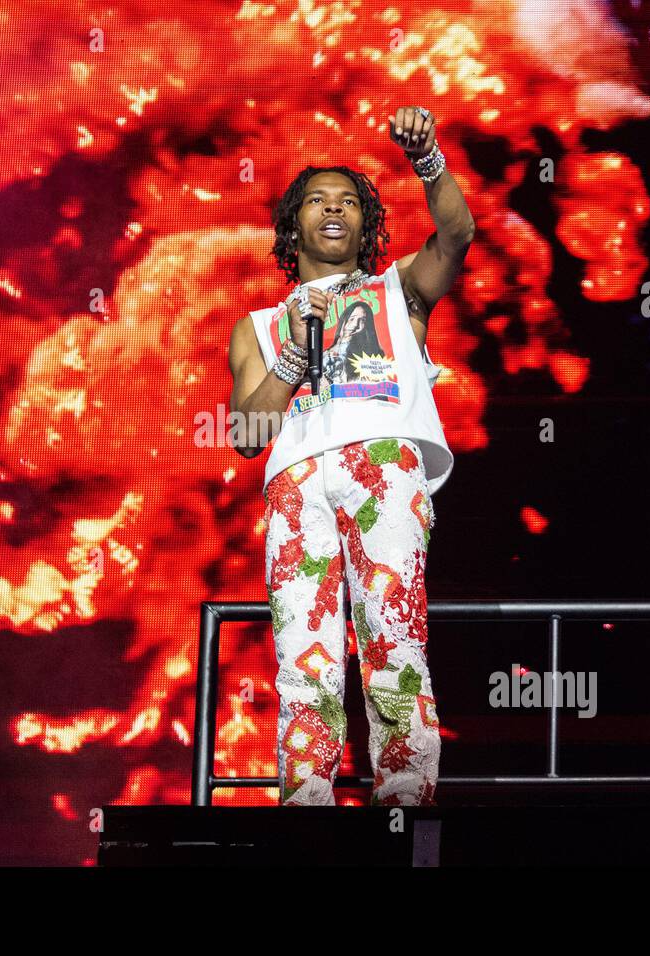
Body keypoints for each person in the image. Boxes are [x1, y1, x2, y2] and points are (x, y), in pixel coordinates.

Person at [227, 106, 476, 806]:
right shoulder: (256, 327)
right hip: (294, 487)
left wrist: (428, 159)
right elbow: (248, 432)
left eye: (348, 203)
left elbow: (458, 233)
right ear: (293, 225)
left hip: (384, 466)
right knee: (305, 666)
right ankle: (304, 811)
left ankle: (403, 807)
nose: (334, 210)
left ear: (366, 227)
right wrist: (295, 358)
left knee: (392, 640)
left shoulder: (398, 291)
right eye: (318, 200)